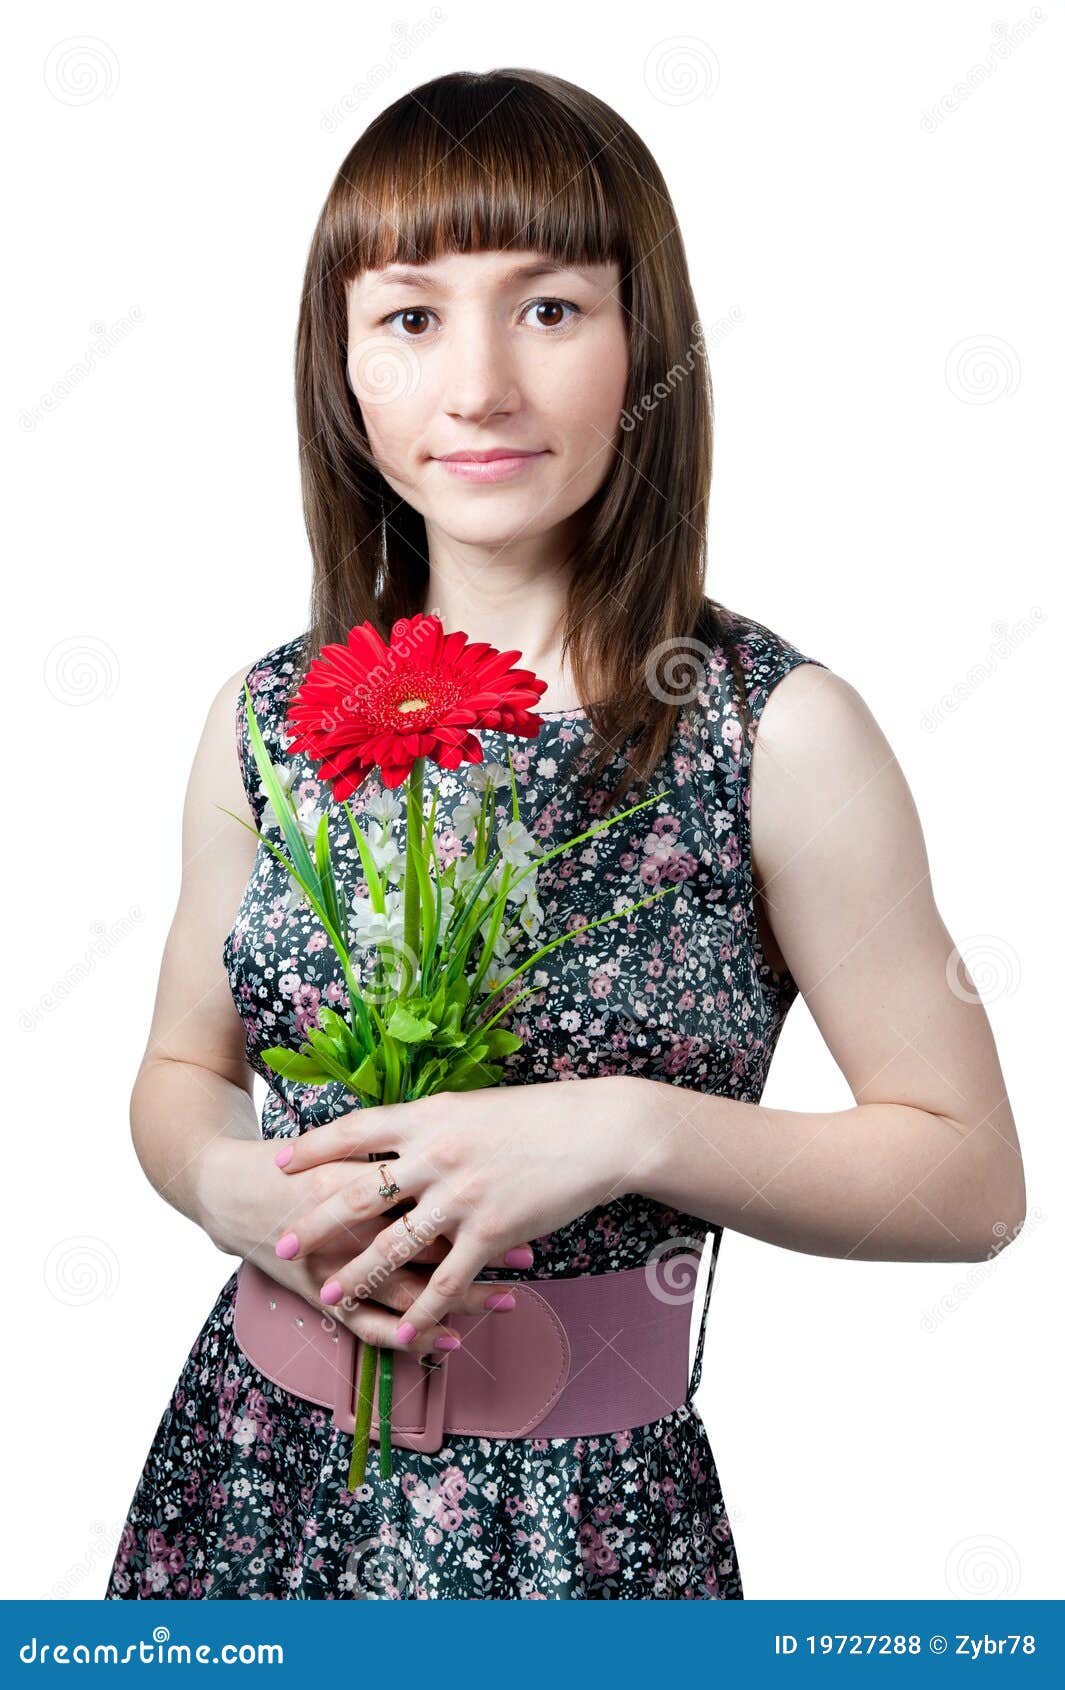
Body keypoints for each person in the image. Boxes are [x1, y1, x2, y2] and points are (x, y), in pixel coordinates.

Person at [105, 67, 1025, 1601]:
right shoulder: (271, 715)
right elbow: (180, 1071)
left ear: (641, 341)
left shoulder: (769, 733)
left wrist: (629, 1124)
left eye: (547, 309)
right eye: (409, 317)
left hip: (581, 1546)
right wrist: (225, 1185)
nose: (476, 384)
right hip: (249, 1491)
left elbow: (972, 1180)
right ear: (342, 370)